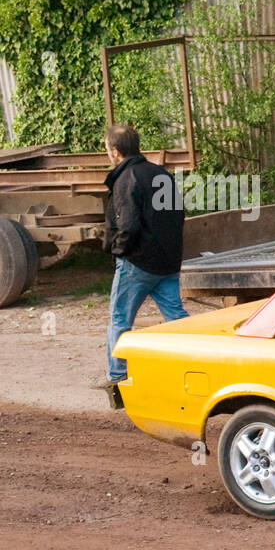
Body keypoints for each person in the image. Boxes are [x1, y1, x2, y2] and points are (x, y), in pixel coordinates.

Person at [94, 124, 189, 390]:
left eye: (106, 149)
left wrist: (118, 251)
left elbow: (129, 226)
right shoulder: (161, 174)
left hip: (137, 263)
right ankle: (197, 361)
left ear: (115, 151)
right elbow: (177, 214)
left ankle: (116, 376)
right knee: (176, 316)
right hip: (168, 263)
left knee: (119, 319)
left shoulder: (126, 179)